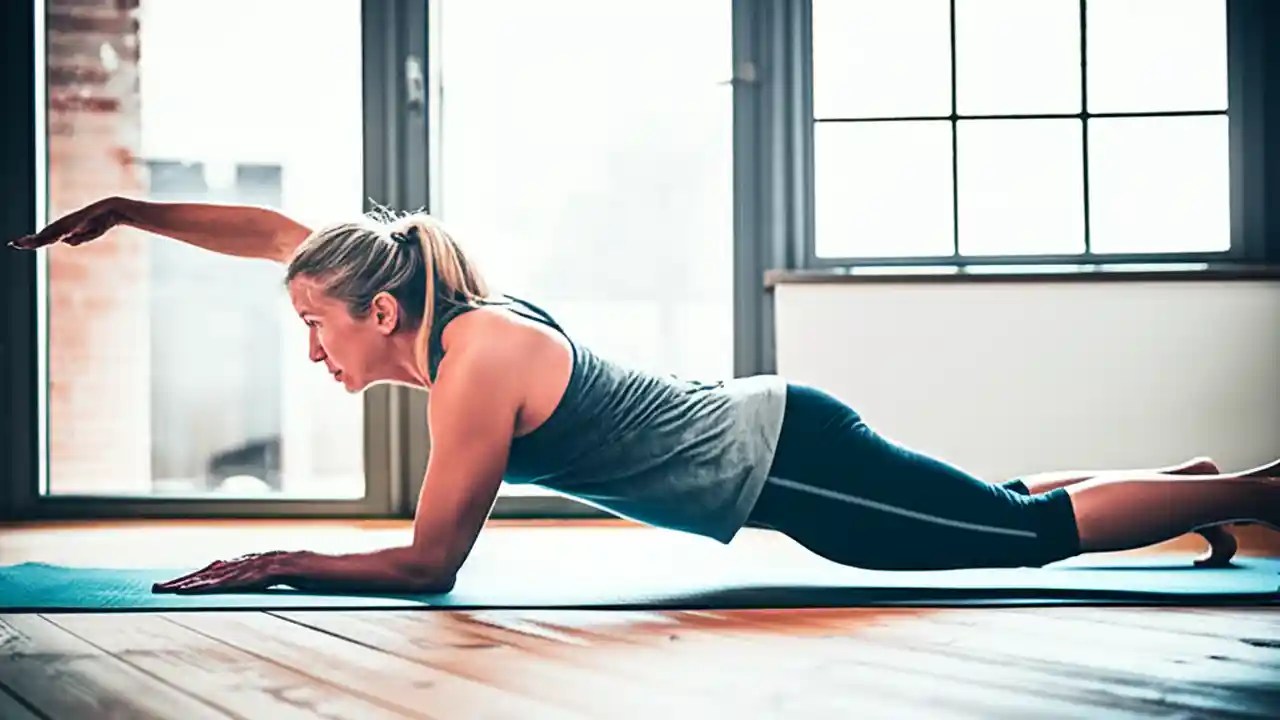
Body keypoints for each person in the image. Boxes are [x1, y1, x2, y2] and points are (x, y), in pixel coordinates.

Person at [9, 197, 1279, 595]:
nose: (310, 351)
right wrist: (126, 211)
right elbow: (273, 233)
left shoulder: (476, 364)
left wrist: (280, 558)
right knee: (991, 505)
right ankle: (1192, 490)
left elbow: (431, 566)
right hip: (782, 440)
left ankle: (1261, 490)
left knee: (1018, 536)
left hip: (785, 464)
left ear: (378, 312)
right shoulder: (429, 305)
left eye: (313, 328)